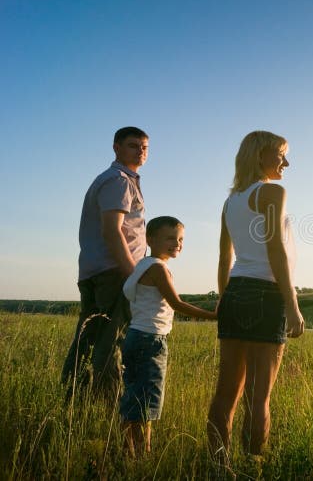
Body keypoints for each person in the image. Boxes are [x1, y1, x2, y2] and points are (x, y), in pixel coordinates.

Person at [207, 130, 305, 461]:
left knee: (225, 394)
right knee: (258, 397)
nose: (286, 162)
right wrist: (292, 305)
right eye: (281, 155)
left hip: (236, 292)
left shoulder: (230, 201)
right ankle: (253, 467)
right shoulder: (273, 191)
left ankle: (220, 467)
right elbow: (275, 248)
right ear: (260, 155)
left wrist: (224, 296)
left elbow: (224, 258)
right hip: (267, 293)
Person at [62, 126, 149, 401]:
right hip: (114, 274)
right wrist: (133, 276)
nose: (141, 151)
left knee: (87, 341)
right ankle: (110, 411)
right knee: (111, 344)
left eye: (145, 147)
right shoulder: (119, 180)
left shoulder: (112, 179)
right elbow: (113, 231)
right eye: (134, 145)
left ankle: (74, 402)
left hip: (97, 271)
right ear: (116, 147)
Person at [119, 216, 217, 457]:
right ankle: (142, 457)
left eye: (181, 239)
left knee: (133, 398)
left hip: (134, 336)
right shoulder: (158, 268)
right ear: (150, 239)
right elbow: (176, 303)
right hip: (150, 340)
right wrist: (214, 316)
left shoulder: (141, 265)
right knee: (146, 405)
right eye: (171, 238)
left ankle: (126, 453)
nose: (178, 243)